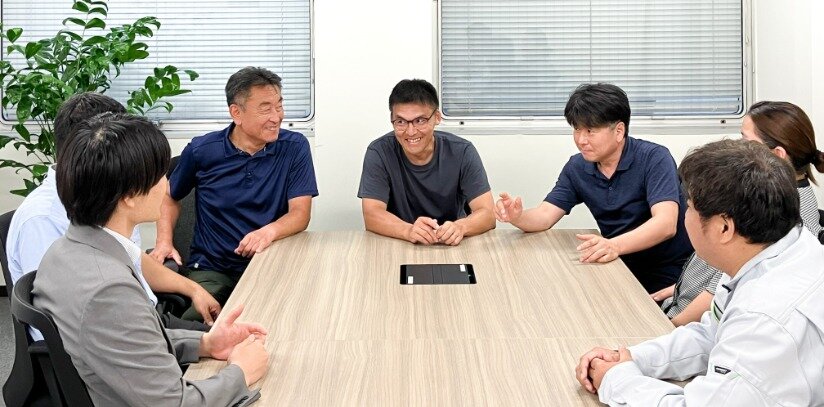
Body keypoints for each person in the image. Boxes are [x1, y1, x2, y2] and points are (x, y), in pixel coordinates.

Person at [33, 113, 270, 406]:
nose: (167, 184)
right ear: (129, 196)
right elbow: (173, 403)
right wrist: (241, 372)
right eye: (160, 175)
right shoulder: (108, 290)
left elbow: (126, 346)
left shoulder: (64, 251)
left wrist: (205, 343)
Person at [576, 139, 824, 405]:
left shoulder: (763, 321)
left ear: (724, 228)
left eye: (690, 206)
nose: (685, 214)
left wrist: (616, 379)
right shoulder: (775, 248)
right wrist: (631, 358)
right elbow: (712, 335)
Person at [6, 92, 221, 334]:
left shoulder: (106, 203)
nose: (165, 185)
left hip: (140, 316)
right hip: (118, 332)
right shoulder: (42, 219)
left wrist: (193, 289)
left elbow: (133, 258)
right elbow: (67, 327)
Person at [151, 67, 318, 321]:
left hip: (270, 263)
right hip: (213, 268)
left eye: (279, 105)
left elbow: (300, 213)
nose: (277, 117)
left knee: (292, 320)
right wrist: (164, 241)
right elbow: (169, 196)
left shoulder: (294, 147)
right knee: (194, 326)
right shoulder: (202, 150)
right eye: (265, 109)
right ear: (236, 113)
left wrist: (268, 232)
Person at [496, 83, 692, 293]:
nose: (581, 140)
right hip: (616, 263)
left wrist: (614, 245)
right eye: (577, 129)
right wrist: (517, 217)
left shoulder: (654, 158)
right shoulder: (577, 167)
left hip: (668, 271)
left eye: (590, 131)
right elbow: (544, 215)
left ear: (619, 131)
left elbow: (665, 224)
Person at [652, 100, 824, 326]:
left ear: (777, 155)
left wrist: (668, 328)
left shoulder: (780, 216)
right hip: (682, 307)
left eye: (745, 141)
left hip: (695, 323)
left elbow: (721, 289)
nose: (738, 148)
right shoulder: (763, 195)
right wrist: (677, 290)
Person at [358, 79, 495, 245]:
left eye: (420, 121)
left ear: (436, 117)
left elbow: (488, 214)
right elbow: (372, 214)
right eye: (401, 122)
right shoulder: (379, 152)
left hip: (452, 245)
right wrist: (408, 230)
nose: (410, 132)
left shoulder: (462, 151)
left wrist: (461, 227)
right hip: (399, 243)